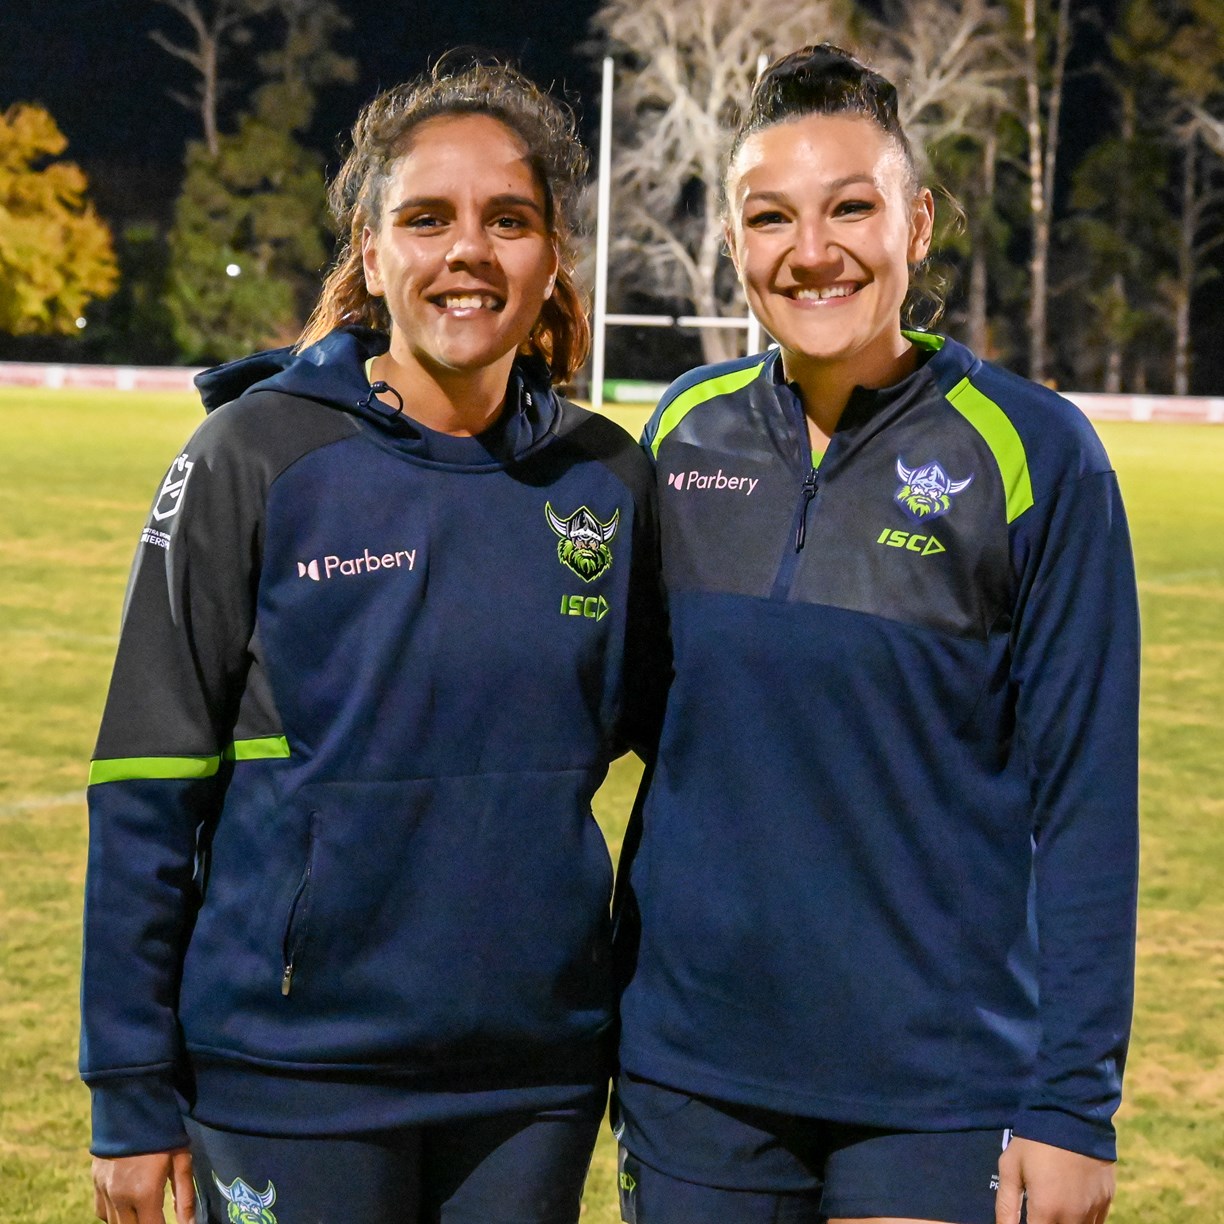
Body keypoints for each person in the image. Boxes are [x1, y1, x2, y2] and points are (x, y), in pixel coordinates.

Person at [82, 59, 663, 1224]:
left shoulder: (607, 481)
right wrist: (130, 1087)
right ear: (371, 245)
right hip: (294, 1073)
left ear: (552, 258)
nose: (469, 251)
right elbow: (146, 778)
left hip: (532, 1083)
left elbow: (692, 757)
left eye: (510, 220)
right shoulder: (254, 458)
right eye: (427, 217)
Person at [613, 43, 1139, 1224]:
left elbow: (1088, 801)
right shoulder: (683, 434)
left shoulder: (1035, 456)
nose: (812, 251)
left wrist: (1072, 1103)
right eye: (769, 217)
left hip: (934, 1079)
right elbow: (621, 714)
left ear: (918, 220)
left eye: (851, 206)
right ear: (737, 242)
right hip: (695, 1068)